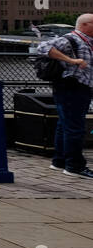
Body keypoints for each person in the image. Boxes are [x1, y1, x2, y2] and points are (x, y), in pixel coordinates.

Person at [45, 12, 93, 179]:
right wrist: (72, 61)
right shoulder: (70, 39)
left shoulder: (86, 41)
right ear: (86, 25)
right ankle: (74, 165)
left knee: (64, 125)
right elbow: (44, 48)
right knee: (75, 128)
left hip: (78, 87)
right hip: (71, 87)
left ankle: (59, 161)